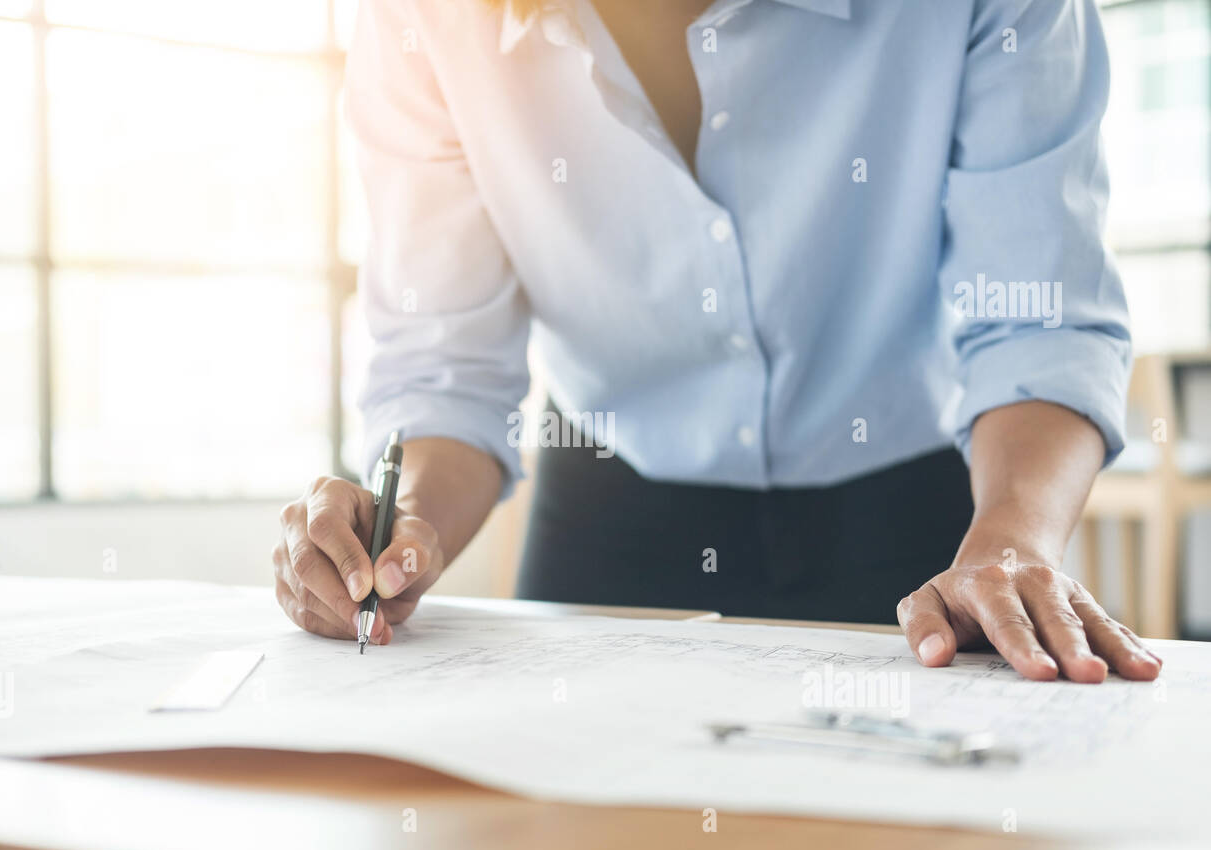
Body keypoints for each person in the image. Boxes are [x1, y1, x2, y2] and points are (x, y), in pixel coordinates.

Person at [272, 0, 1162, 683]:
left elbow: (1035, 321)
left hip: (932, 532)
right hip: (608, 509)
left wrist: (1013, 539)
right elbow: (446, 369)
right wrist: (404, 529)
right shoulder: (426, 22)